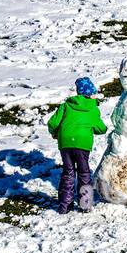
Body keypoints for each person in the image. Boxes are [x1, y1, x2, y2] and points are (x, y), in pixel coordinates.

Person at [47, 76, 107, 214]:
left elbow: (52, 123)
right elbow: (101, 128)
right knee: (84, 172)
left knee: (68, 173)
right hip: (82, 144)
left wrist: (55, 133)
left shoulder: (66, 105)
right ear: (90, 93)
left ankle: (64, 206)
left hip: (65, 142)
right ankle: (85, 205)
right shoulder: (92, 108)